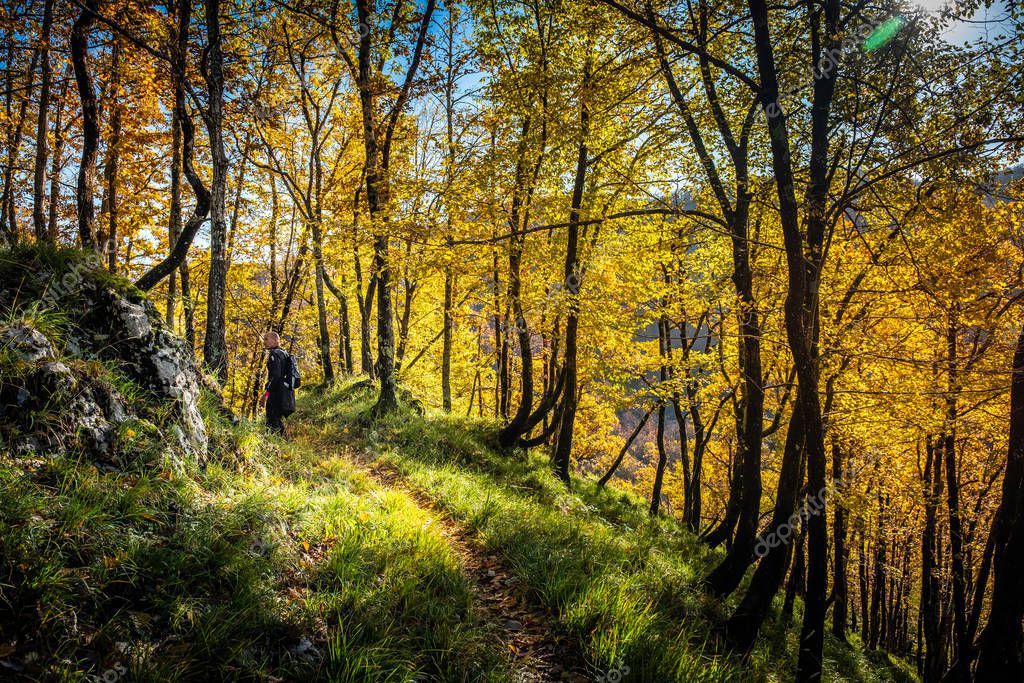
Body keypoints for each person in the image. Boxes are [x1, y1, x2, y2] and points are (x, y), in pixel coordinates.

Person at [258, 331, 289, 436]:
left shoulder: (274, 354)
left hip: (276, 393)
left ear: (275, 340)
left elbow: (275, 376)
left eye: (266, 339)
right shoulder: (284, 353)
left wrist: (266, 394)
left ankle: (272, 442)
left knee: (272, 420)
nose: (264, 342)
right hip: (285, 392)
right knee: (278, 420)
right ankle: (284, 442)